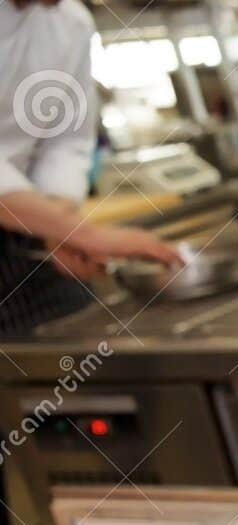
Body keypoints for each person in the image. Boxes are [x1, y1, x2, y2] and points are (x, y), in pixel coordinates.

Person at [0, 0, 183, 337]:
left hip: (26, 224)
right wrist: (84, 234)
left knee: (79, 342)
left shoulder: (71, 21)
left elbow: (66, 142)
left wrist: (56, 223)